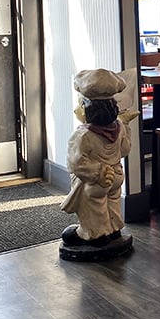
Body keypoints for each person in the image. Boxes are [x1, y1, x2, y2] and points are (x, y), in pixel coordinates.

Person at [60, 68, 133, 248]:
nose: (76, 109)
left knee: (93, 206)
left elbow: (76, 163)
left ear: (89, 109)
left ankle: (96, 234)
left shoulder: (83, 135)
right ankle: (114, 229)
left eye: (80, 105)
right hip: (116, 175)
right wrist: (126, 125)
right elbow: (124, 150)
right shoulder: (119, 128)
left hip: (98, 180)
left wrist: (98, 172)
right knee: (113, 202)